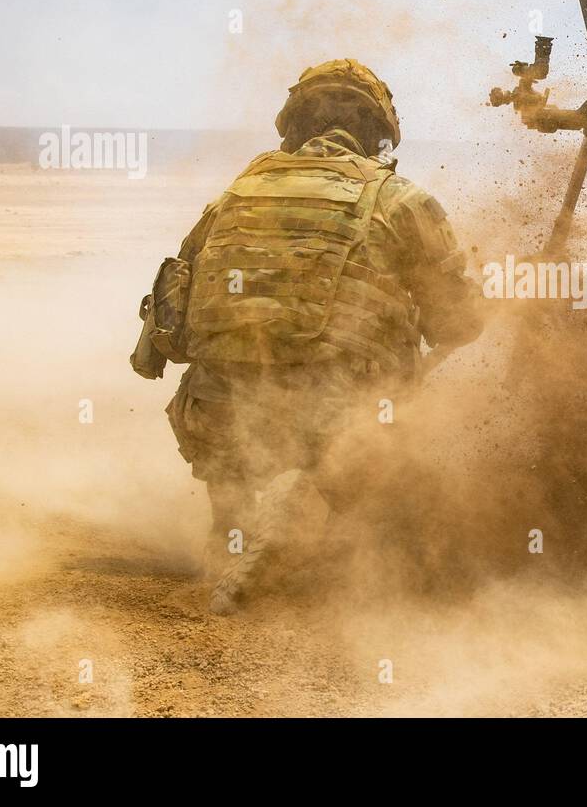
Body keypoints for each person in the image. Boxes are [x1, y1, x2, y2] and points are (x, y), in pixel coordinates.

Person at [134, 59, 483, 614]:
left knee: (228, 415)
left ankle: (232, 529)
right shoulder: (402, 199)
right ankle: (335, 531)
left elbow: (171, 323)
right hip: (338, 420)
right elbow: (458, 323)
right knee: (389, 461)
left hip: (219, 417)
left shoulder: (232, 196)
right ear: (378, 132)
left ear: (294, 126)